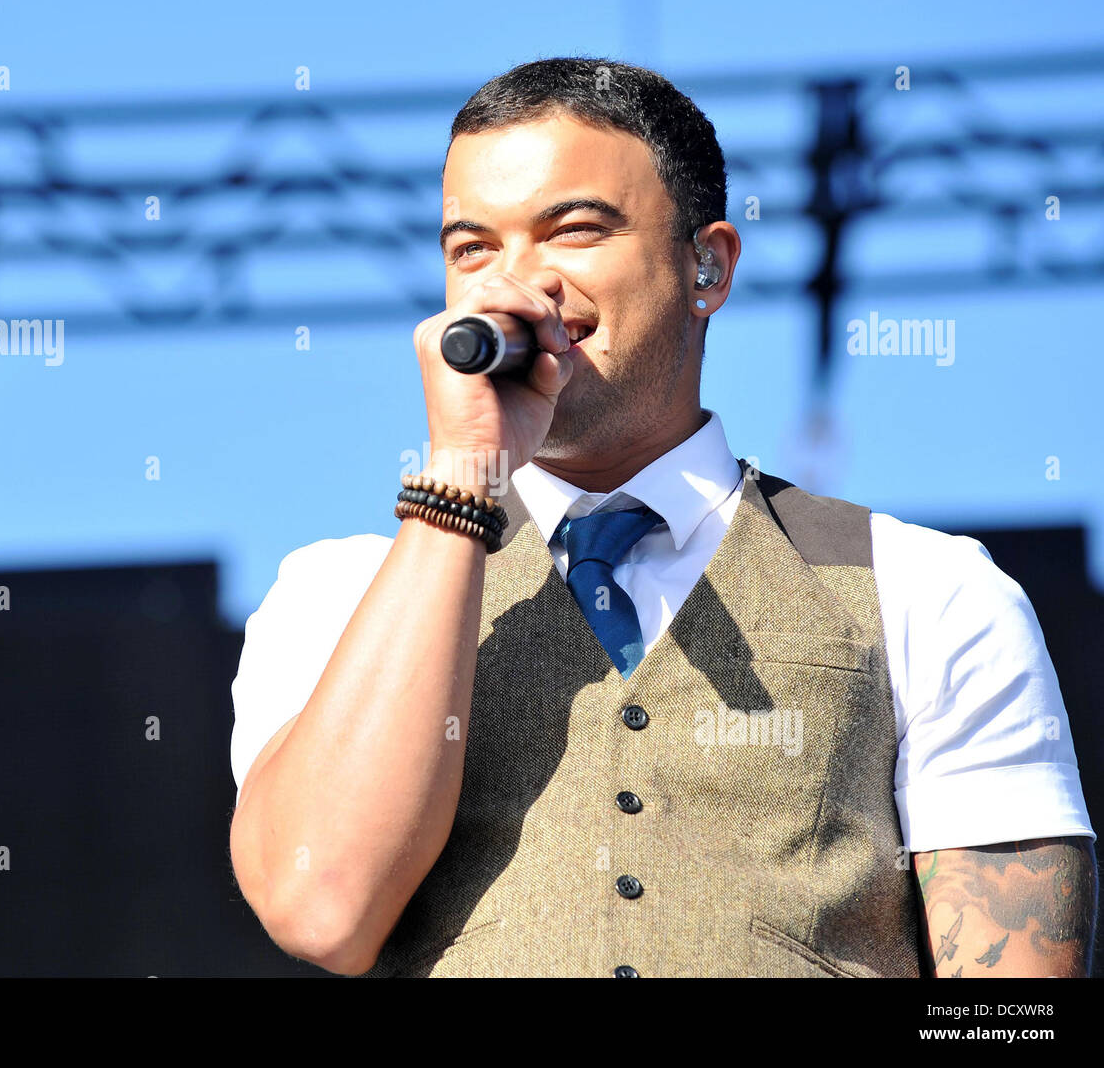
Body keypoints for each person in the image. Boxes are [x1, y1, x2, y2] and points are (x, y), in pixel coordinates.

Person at [227, 57, 1097, 978]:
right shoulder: (337, 596)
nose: (516, 285)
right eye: (472, 249)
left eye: (573, 231)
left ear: (707, 265)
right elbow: (321, 907)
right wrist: (462, 473)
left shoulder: (930, 591)